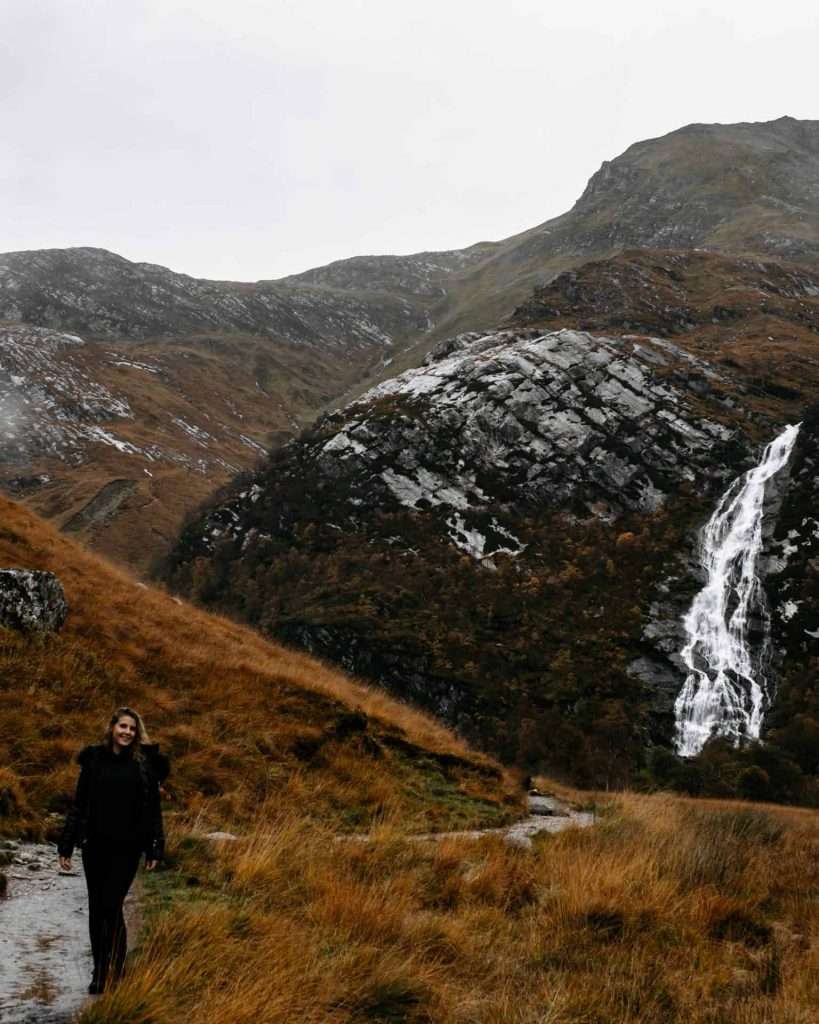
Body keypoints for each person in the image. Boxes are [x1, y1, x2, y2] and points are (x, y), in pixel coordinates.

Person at [57, 707, 169, 994]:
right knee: (98, 908)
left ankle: (116, 970)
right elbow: (79, 805)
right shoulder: (94, 760)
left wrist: (155, 847)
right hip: (95, 846)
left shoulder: (143, 765)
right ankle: (99, 971)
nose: (127, 732)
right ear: (112, 728)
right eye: (123, 726)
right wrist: (66, 844)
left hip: (127, 848)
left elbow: (153, 810)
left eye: (132, 728)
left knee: (111, 903)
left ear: (137, 733)